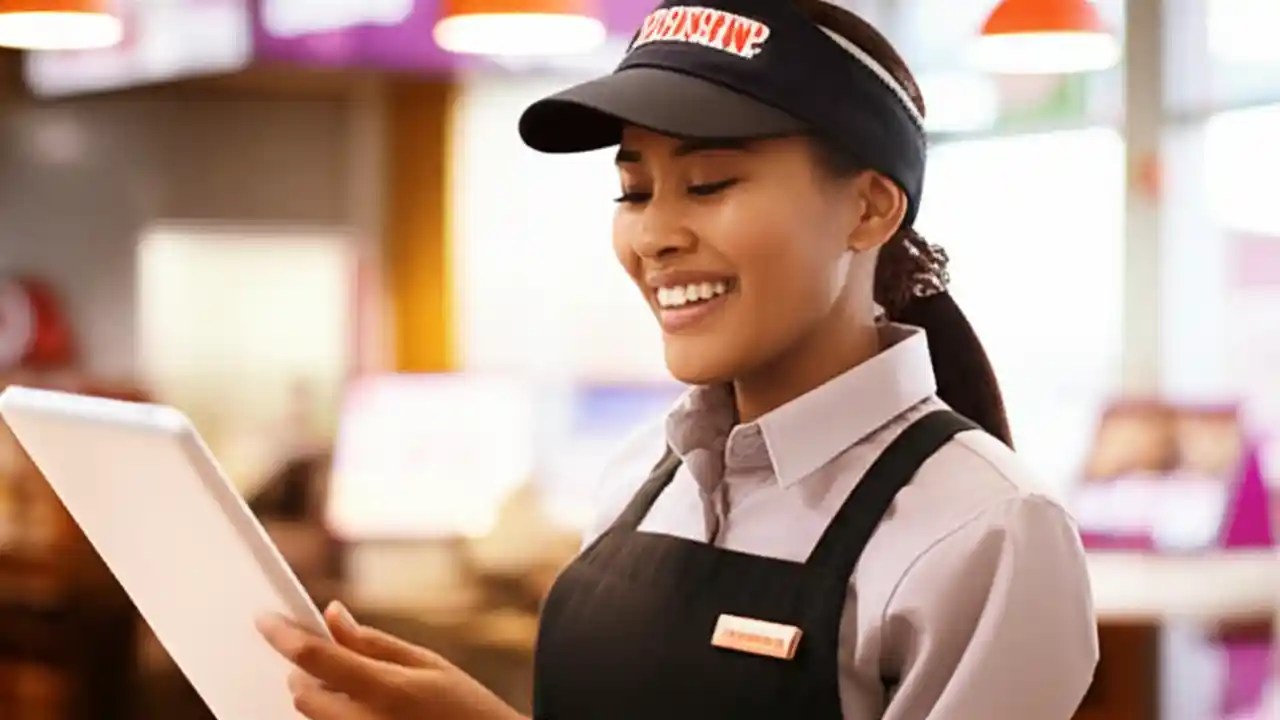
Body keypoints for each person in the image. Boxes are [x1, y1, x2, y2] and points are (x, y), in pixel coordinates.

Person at [256, 0, 1100, 717]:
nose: (656, 235)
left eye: (708, 185)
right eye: (633, 191)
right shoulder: (639, 479)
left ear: (870, 209)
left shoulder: (987, 532)